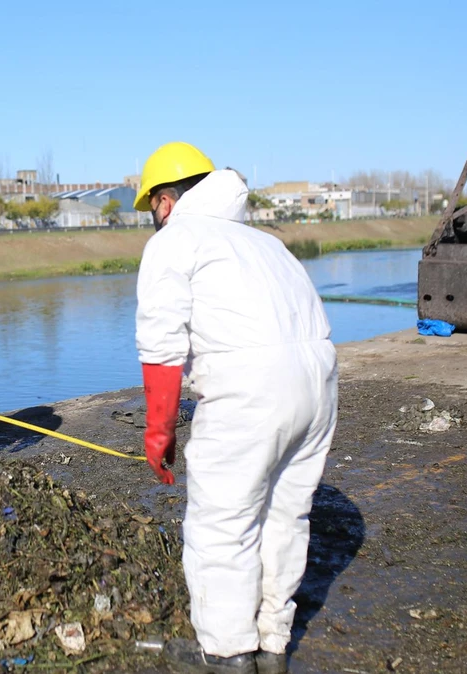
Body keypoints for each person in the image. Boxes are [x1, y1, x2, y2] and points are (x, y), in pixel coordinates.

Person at [133, 142, 338, 674]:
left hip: (251, 389)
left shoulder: (176, 240)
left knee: (222, 523)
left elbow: (161, 349)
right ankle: (272, 642)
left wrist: (159, 436)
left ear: (164, 200)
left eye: (151, 208)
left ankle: (228, 654)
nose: (152, 220)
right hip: (319, 381)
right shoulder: (263, 242)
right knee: (285, 515)